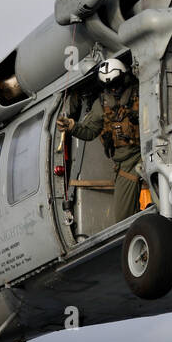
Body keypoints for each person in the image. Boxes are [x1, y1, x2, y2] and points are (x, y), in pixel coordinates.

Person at [56, 57, 142, 221]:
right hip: (126, 164)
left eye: (116, 83)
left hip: (148, 151)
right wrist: (72, 126)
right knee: (123, 218)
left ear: (125, 78)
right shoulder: (101, 104)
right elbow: (89, 131)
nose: (114, 89)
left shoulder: (141, 91)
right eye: (109, 86)